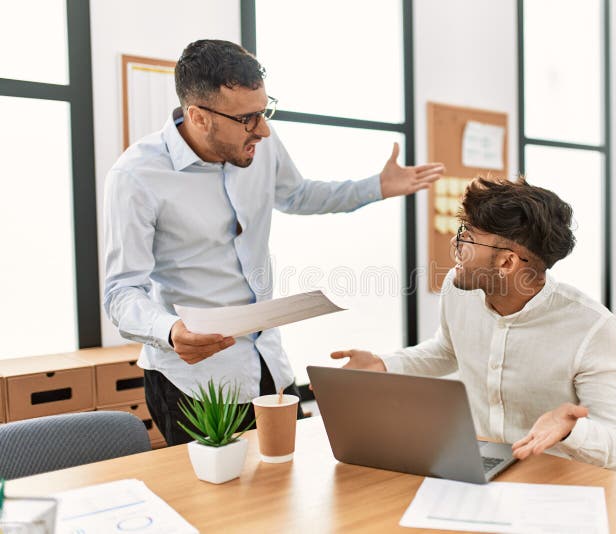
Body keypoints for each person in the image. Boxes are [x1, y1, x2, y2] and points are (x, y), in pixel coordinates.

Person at [103, 39, 444, 446]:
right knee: (217, 506)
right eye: (248, 118)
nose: (263, 129)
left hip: (269, 366)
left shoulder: (257, 143)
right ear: (198, 117)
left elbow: (297, 195)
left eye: (265, 111)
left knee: (291, 490)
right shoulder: (136, 177)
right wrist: (170, 330)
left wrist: (376, 187)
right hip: (193, 379)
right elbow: (121, 292)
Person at [331, 176, 616, 470]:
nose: (457, 243)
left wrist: (572, 430)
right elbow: (448, 350)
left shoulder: (591, 326)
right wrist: (383, 365)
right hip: (479, 466)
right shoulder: (457, 289)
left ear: (507, 262)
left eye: (470, 236)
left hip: (555, 480)